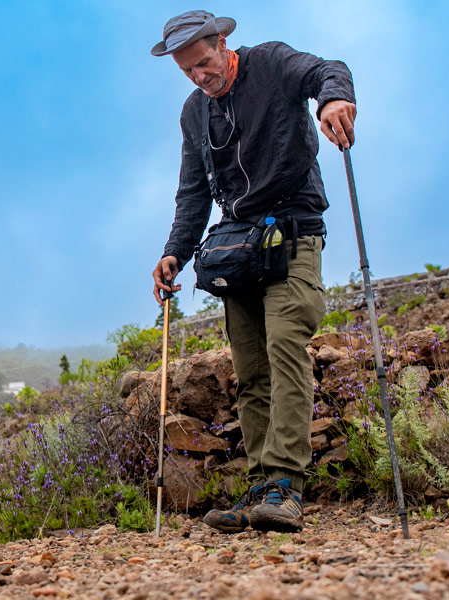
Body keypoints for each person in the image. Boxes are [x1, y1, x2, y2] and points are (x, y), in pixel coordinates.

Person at [150, 11, 356, 533]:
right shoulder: (194, 113)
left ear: (223, 43)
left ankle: (286, 486)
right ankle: (263, 486)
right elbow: (193, 192)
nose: (200, 76)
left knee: (286, 346)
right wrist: (176, 251)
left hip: (294, 231)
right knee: (252, 371)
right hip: (238, 247)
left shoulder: (272, 63)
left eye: (204, 62)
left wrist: (332, 98)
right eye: (188, 71)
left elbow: (326, 69)